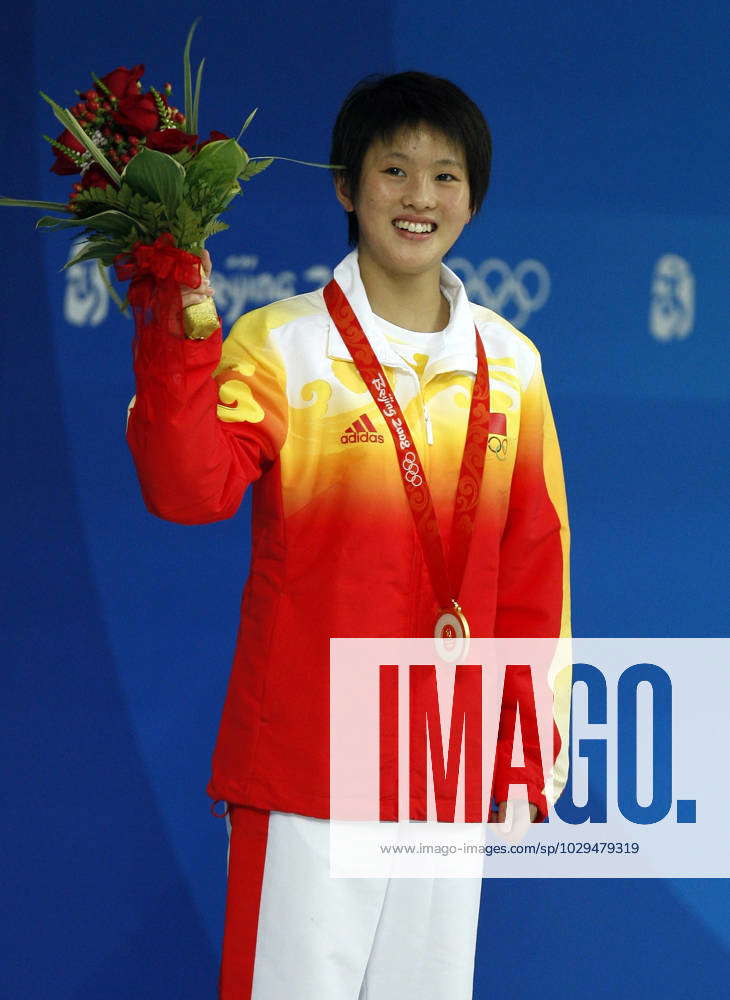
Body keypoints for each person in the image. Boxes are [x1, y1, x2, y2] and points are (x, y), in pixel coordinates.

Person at [126, 70, 571, 1000]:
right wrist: (175, 326)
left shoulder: (513, 365)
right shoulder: (279, 345)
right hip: (307, 770)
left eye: (445, 177)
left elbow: (534, 569)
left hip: (443, 771)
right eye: (394, 171)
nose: (419, 198)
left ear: (473, 198)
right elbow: (188, 489)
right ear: (345, 184)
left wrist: (522, 745)